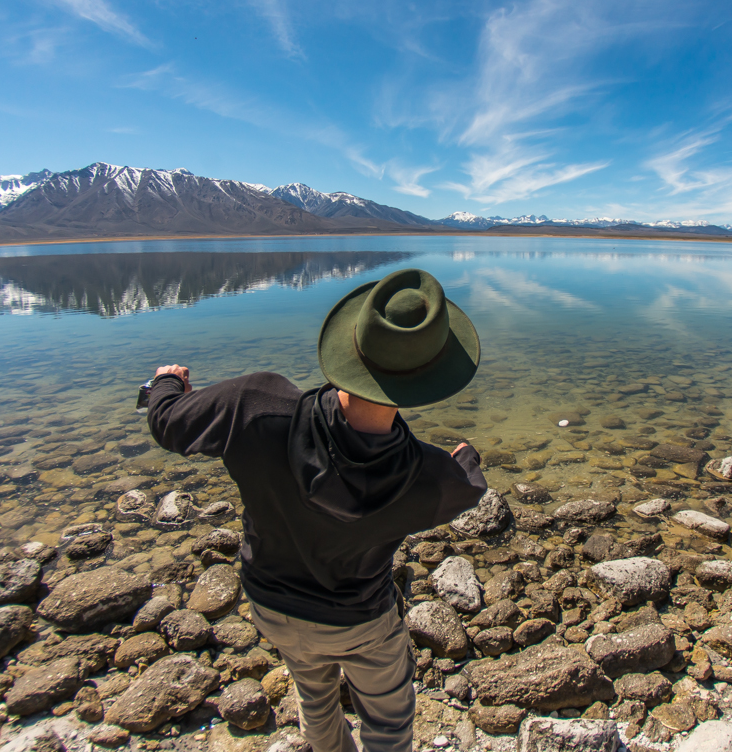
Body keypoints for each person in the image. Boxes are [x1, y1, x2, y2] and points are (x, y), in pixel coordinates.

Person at [146, 268, 487, 752]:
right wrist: (463, 458)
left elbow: (167, 424)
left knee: (315, 700)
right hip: (362, 622)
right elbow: (470, 485)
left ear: (351, 344)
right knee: (389, 727)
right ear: (430, 376)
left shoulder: (253, 407)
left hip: (271, 603)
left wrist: (164, 383)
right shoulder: (429, 480)